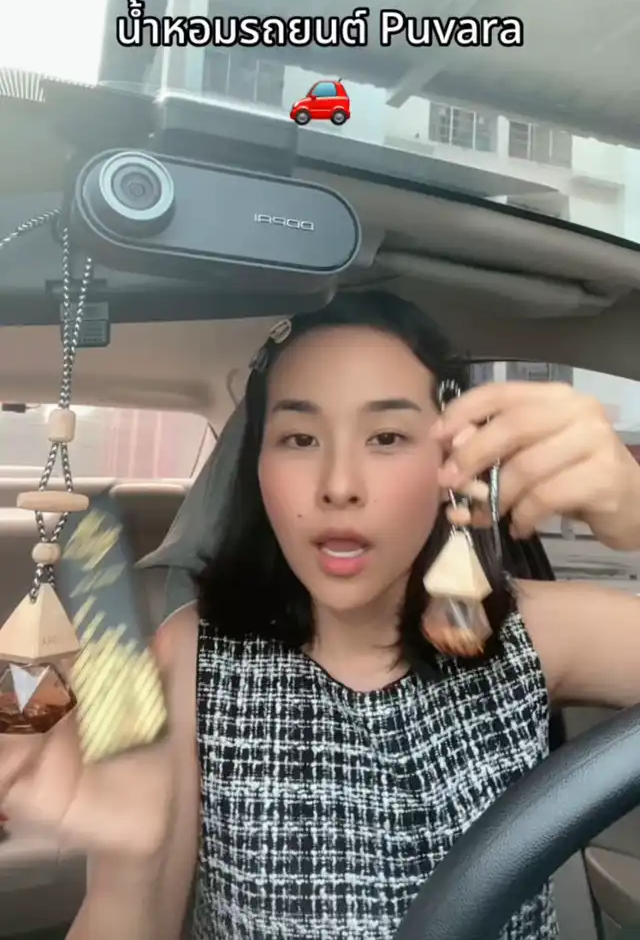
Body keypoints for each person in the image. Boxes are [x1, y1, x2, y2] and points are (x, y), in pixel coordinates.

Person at [2, 289, 640, 940]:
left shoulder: (533, 632)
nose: (339, 485)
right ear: (258, 468)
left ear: (452, 464)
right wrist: (130, 872)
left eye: (387, 437)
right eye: (300, 438)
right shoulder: (193, 658)